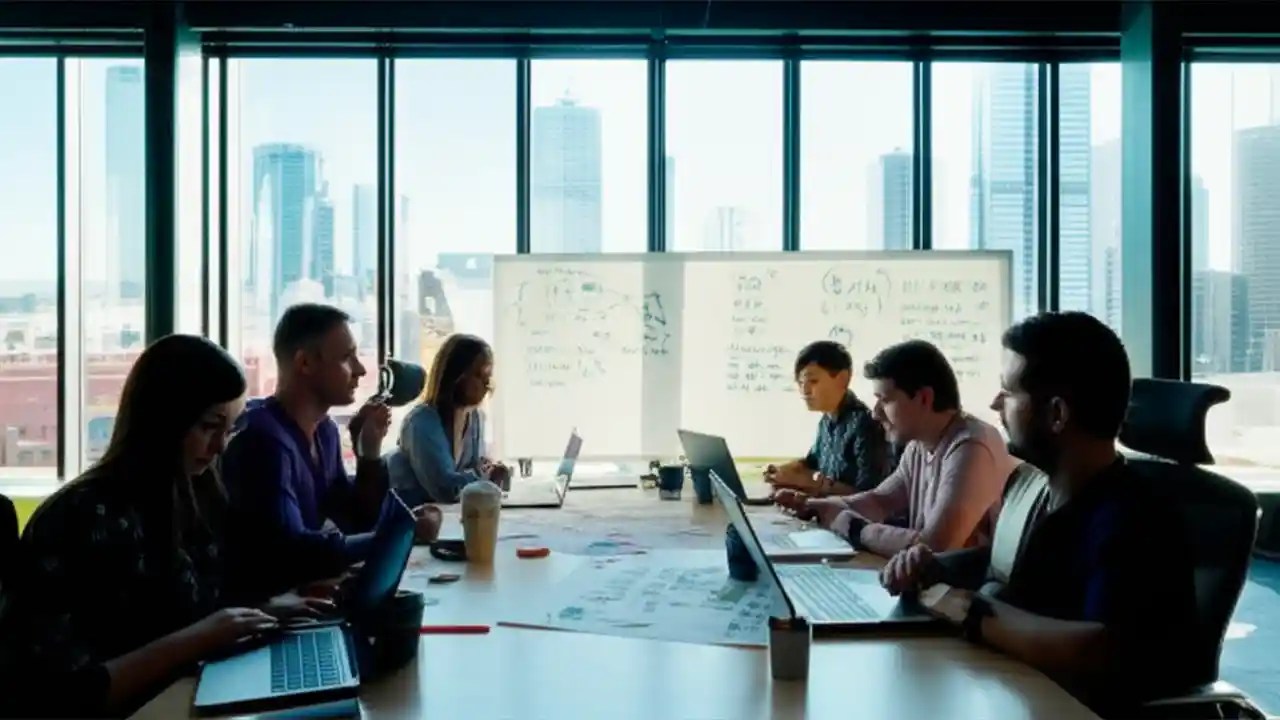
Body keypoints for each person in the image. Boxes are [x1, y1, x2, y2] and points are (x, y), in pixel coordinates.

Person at [880, 312, 1199, 717]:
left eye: (1008, 392)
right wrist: (935, 568)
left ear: (1057, 414)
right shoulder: (1032, 488)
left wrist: (974, 614)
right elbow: (1009, 564)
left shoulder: (1137, 517)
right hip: (1017, 692)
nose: (996, 403)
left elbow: (1101, 648)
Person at [0, 335, 328, 718]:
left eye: (231, 429)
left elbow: (187, 612)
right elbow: (54, 695)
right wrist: (201, 638)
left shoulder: (193, 492)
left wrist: (255, 613)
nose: (222, 446)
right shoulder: (81, 518)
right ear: (163, 422)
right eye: (209, 426)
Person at [222, 304, 441, 600]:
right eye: (346, 358)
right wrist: (398, 535)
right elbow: (293, 551)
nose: (360, 370)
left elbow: (354, 520)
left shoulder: (324, 431)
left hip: (299, 601)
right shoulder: (263, 439)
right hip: (265, 615)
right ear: (305, 363)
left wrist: (369, 453)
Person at [774, 340, 1015, 557]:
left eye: (885, 400)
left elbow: (934, 548)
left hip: (968, 598)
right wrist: (812, 506)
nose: (876, 412)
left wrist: (857, 529)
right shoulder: (920, 445)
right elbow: (879, 501)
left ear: (924, 398)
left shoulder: (971, 446)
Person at [387, 333, 510, 505]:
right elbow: (446, 490)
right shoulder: (421, 423)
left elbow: (474, 469)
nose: (487, 384)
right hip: (416, 521)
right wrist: (485, 475)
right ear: (456, 376)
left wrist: (491, 470)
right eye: (478, 375)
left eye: (488, 375)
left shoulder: (475, 417)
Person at [763, 341, 892, 498]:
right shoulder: (826, 420)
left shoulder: (865, 424)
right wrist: (783, 471)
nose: (804, 391)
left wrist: (809, 481)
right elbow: (812, 462)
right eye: (801, 383)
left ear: (843, 379)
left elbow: (869, 496)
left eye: (813, 381)